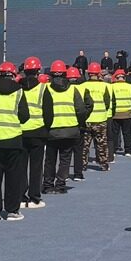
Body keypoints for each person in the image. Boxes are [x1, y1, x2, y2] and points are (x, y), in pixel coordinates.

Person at [0, 64, 27, 222]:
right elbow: (24, 115)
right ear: (14, 75)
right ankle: (12, 211)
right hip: (14, 139)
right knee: (13, 177)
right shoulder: (19, 92)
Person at [42, 65, 86, 195]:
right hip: (70, 130)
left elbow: (43, 109)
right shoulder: (72, 90)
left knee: (50, 160)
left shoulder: (46, 89)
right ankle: (60, 185)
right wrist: (80, 124)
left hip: (52, 131)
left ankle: (48, 185)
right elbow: (81, 109)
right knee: (65, 159)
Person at [19, 61, 48, 209]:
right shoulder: (43, 88)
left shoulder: (18, 88)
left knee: (21, 167)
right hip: (38, 132)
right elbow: (48, 111)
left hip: (21, 132)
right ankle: (34, 198)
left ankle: (21, 197)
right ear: (38, 71)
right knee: (36, 167)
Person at [79, 61, 113, 171]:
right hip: (101, 120)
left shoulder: (82, 86)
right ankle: (104, 164)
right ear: (99, 73)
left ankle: (82, 165)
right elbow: (107, 103)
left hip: (87, 120)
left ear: (89, 73)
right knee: (102, 144)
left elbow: (80, 104)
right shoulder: (104, 86)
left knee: (84, 145)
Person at [110, 68, 131, 156]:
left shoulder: (112, 87)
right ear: (124, 78)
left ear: (116, 78)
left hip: (115, 114)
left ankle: (113, 150)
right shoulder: (129, 86)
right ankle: (128, 150)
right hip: (127, 114)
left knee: (115, 133)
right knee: (127, 133)